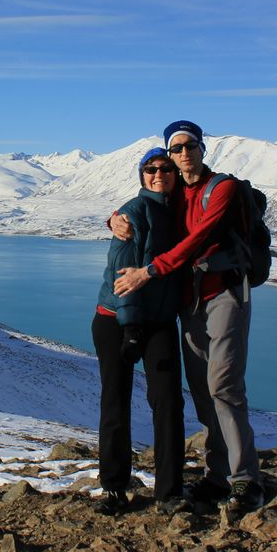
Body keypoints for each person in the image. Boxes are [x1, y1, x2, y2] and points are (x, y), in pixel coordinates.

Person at [112, 120, 264, 513]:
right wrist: (113, 217)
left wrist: (150, 271)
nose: (183, 154)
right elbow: (143, 205)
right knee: (200, 389)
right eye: (175, 149)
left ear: (202, 149)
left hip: (224, 293)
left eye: (189, 146)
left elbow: (199, 238)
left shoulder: (222, 188)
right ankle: (217, 477)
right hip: (188, 301)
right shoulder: (176, 190)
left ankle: (246, 480)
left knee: (223, 385)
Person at [92, 147, 185, 515]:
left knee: (168, 400)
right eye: (151, 169)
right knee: (116, 399)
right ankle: (114, 488)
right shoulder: (134, 211)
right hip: (116, 320)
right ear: (142, 175)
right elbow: (123, 273)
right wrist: (130, 326)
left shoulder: (179, 208)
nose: (158, 174)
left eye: (166, 168)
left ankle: (170, 491)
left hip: (159, 320)